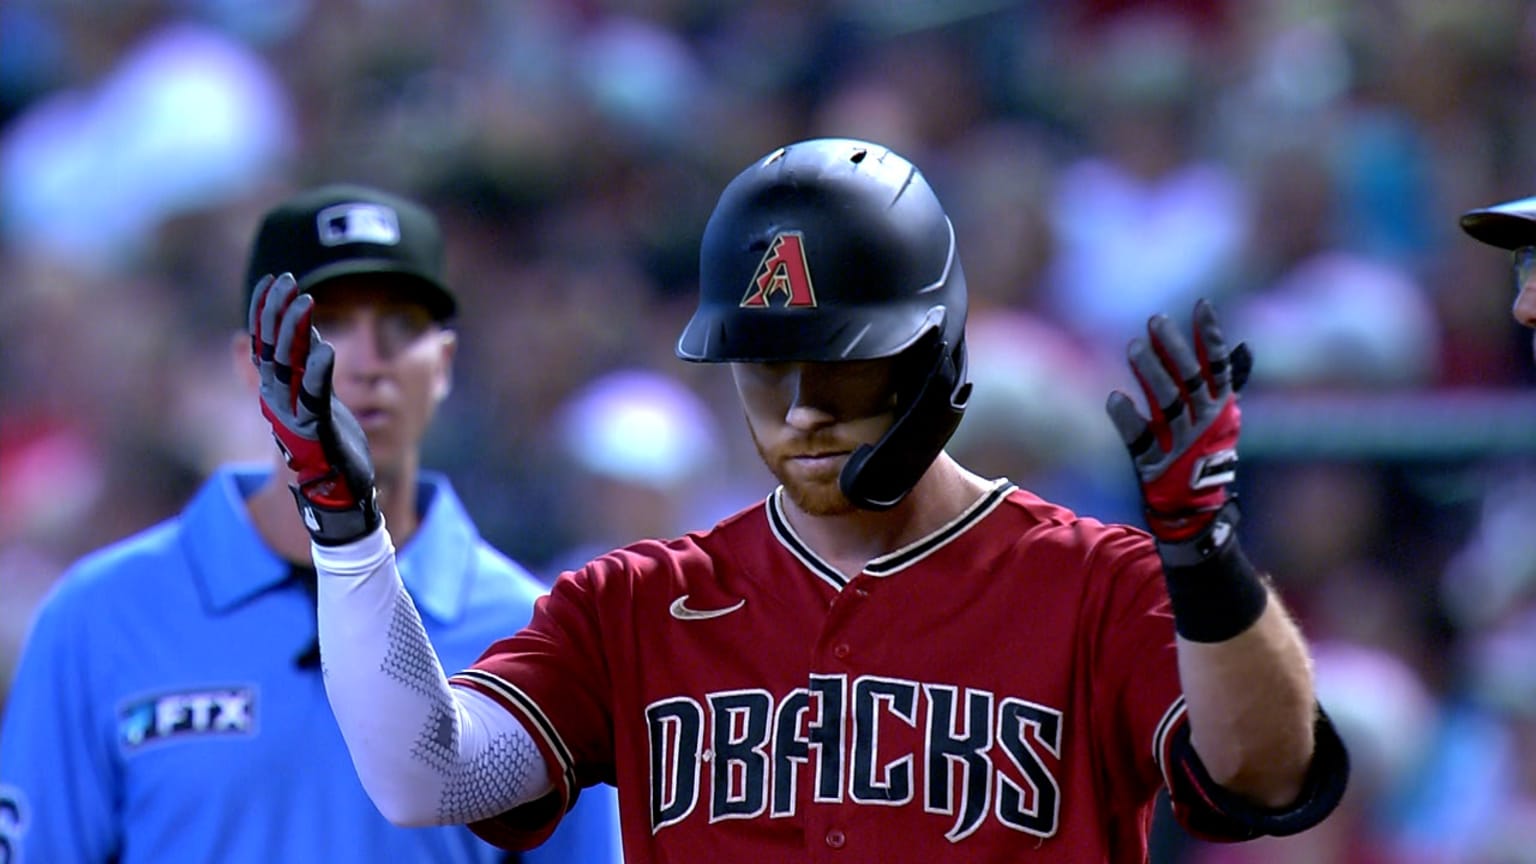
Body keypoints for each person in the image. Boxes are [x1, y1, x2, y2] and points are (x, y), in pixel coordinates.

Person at [248, 140, 1349, 862]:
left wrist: (1204, 562)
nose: (804, 407)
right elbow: (426, 774)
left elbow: (1268, 772)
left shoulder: (1091, 583)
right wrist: (346, 534)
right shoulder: (638, 603)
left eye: (845, 361)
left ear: (937, 355)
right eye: (766, 366)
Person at [0, 184, 620, 864]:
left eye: (402, 324)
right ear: (249, 364)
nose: (366, 361)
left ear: (443, 364)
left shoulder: (529, 631)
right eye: (324, 325)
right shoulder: (102, 616)